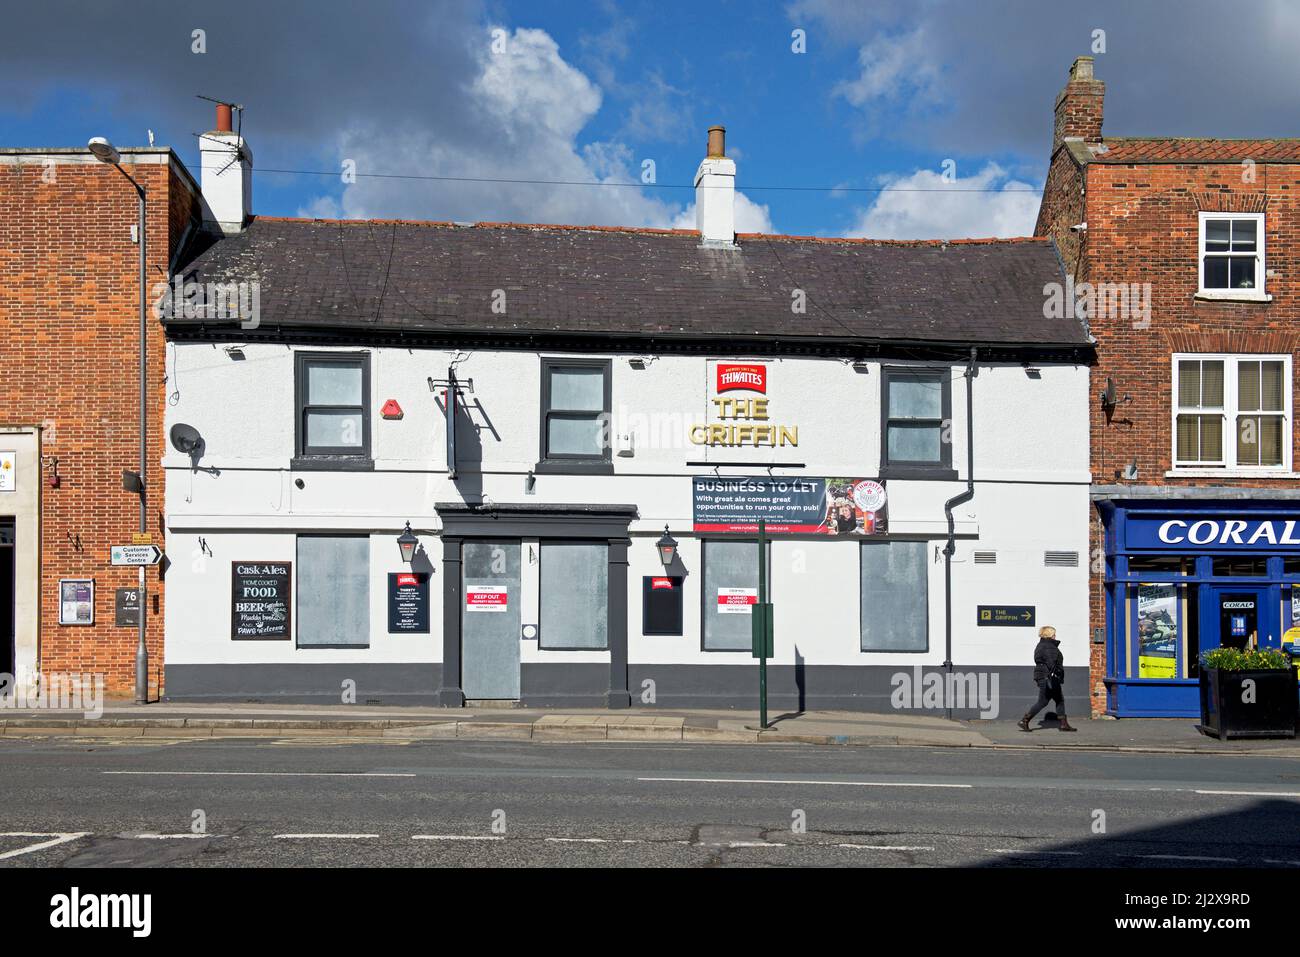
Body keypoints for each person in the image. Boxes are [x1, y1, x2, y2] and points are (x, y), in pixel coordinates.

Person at [1018, 625, 1076, 732]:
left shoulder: (1041, 645)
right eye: (1054, 633)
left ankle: (1063, 724)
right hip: (1048, 677)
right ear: (1050, 635)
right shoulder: (1049, 646)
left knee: (1054, 700)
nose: (1055, 636)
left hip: (1043, 676)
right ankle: (1024, 720)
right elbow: (1051, 663)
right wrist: (1057, 674)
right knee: (1048, 701)